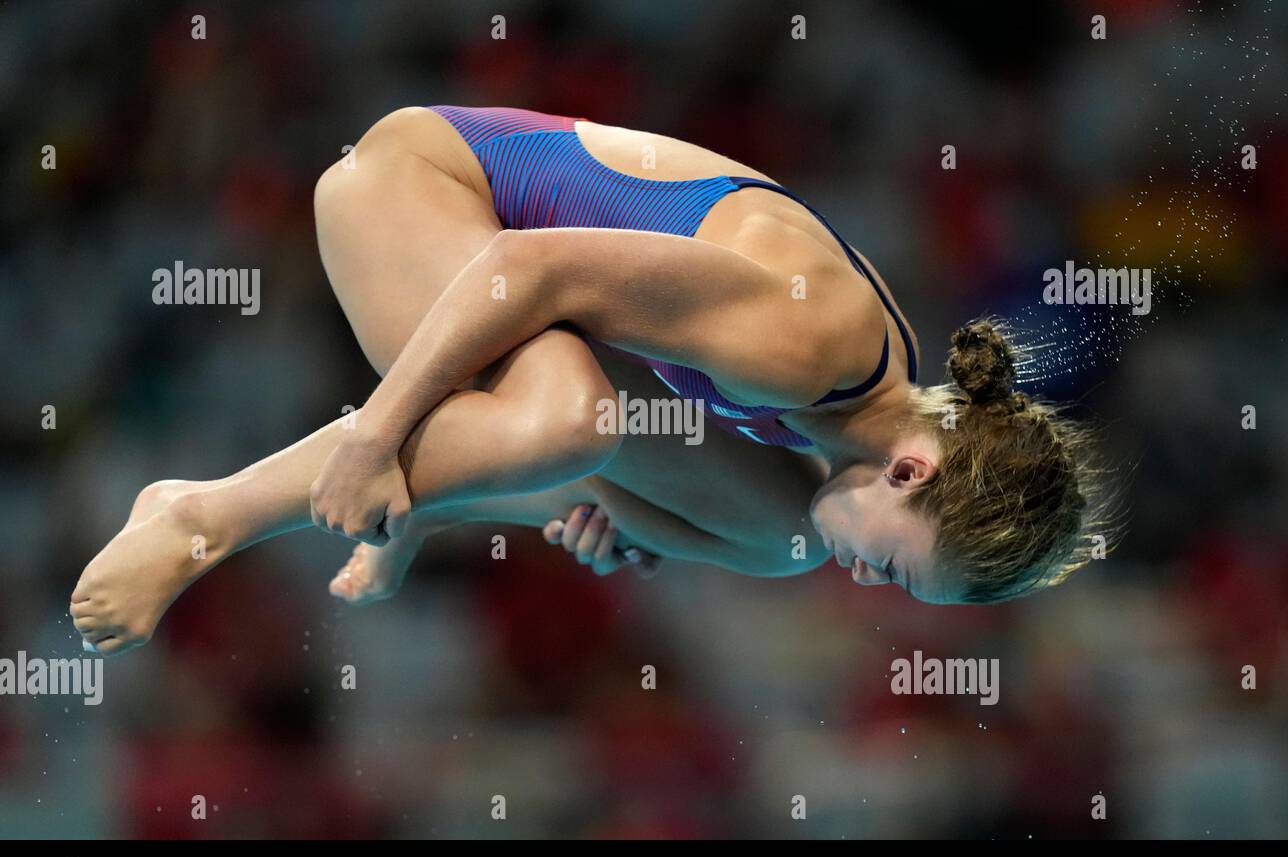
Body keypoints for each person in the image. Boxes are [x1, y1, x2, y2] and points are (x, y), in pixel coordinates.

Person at [70, 106, 1113, 655]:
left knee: (777, 541)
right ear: (912, 469)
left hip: (508, 274)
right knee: (570, 420)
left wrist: (618, 515)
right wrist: (374, 434)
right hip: (421, 186)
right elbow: (533, 269)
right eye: (894, 569)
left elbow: (590, 350)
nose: (867, 586)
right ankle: (200, 511)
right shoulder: (811, 349)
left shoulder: (835, 430)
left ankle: (418, 516)